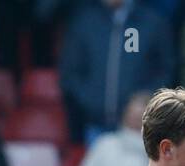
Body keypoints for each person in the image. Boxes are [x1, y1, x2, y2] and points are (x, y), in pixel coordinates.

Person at [59, 0, 176, 143]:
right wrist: (93, 103)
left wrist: (145, 98)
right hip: (95, 127)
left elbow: (166, 71)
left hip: (139, 129)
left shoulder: (152, 22)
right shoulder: (84, 21)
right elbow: (70, 74)